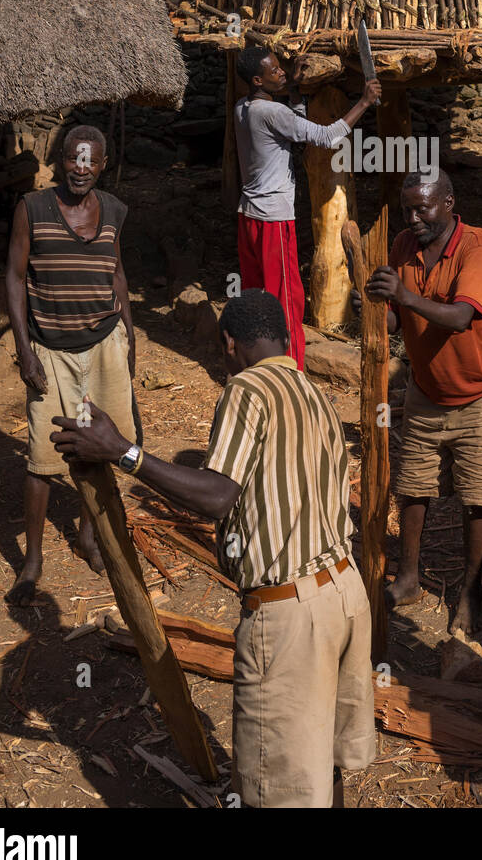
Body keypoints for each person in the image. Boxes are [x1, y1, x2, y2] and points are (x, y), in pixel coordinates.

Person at [51, 289, 376, 809]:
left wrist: (124, 453)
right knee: (323, 765)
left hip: (292, 616)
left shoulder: (247, 390)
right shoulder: (312, 391)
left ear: (229, 342)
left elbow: (218, 494)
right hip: (346, 594)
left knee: (275, 791)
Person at [358, 169, 482, 636]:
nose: (413, 218)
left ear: (448, 204)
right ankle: (408, 577)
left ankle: (471, 589)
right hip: (427, 388)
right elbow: (394, 320)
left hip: (481, 391)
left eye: (422, 208)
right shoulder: (405, 245)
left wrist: (405, 295)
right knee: (414, 485)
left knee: (478, 495)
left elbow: (461, 315)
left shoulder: (477, 247)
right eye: (407, 208)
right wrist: (373, 306)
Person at [4, 124, 136, 606]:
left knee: (100, 444)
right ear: (61, 160)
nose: (82, 168)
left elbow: (117, 273)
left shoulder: (115, 211)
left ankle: (87, 535)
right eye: (74, 159)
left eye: (92, 161)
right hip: (51, 351)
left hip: (104, 344)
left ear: (103, 165)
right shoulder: (32, 209)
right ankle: (33, 560)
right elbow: (15, 278)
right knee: (42, 458)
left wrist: (131, 337)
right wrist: (23, 349)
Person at [234, 46, 381, 370]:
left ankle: (257, 366)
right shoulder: (272, 114)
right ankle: (292, 375)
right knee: (287, 301)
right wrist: (364, 102)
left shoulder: (243, 108)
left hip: (249, 217)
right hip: (274, 220)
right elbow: (326, 136)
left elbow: (291, 126)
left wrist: (296, 90)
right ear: (258, 79)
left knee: (257, 297)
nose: (282, 72)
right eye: (275, 71)